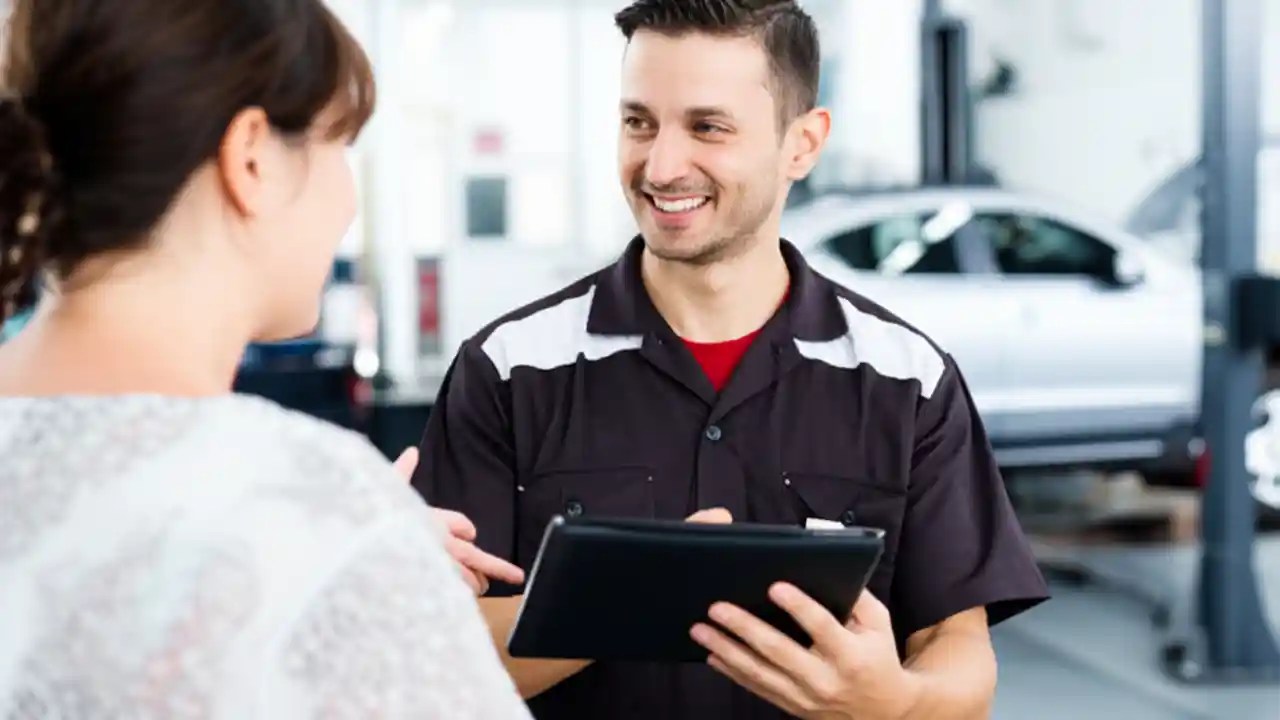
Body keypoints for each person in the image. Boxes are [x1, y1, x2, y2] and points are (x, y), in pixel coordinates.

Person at [411, 1, 1051, 718]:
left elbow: (958, 650)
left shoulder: (908, 379)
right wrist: (638, 594)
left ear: (802, 144)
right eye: (638, 122)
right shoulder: (508, 370)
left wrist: (894, 705)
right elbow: (438, 668)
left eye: (707, 127)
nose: (660, 164)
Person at [0, 0, 530, 717]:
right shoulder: (317, 511)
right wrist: (365, 565)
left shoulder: (314, 519)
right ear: (251, 157)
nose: (347, 202)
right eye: (338, 146)